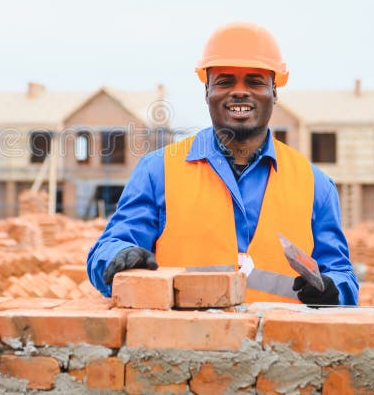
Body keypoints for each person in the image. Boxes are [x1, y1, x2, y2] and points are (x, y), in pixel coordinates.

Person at [87, 22, 358, 305]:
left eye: (255, 81)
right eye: (225, 81)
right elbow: (107, 248)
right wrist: (119, 257)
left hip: (282, 334)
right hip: (183, 334)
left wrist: (334, 291)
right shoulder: (158, 172)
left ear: (274, 92)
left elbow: (341, 275)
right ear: (207, 91)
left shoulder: (315, 185)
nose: (239, 92)